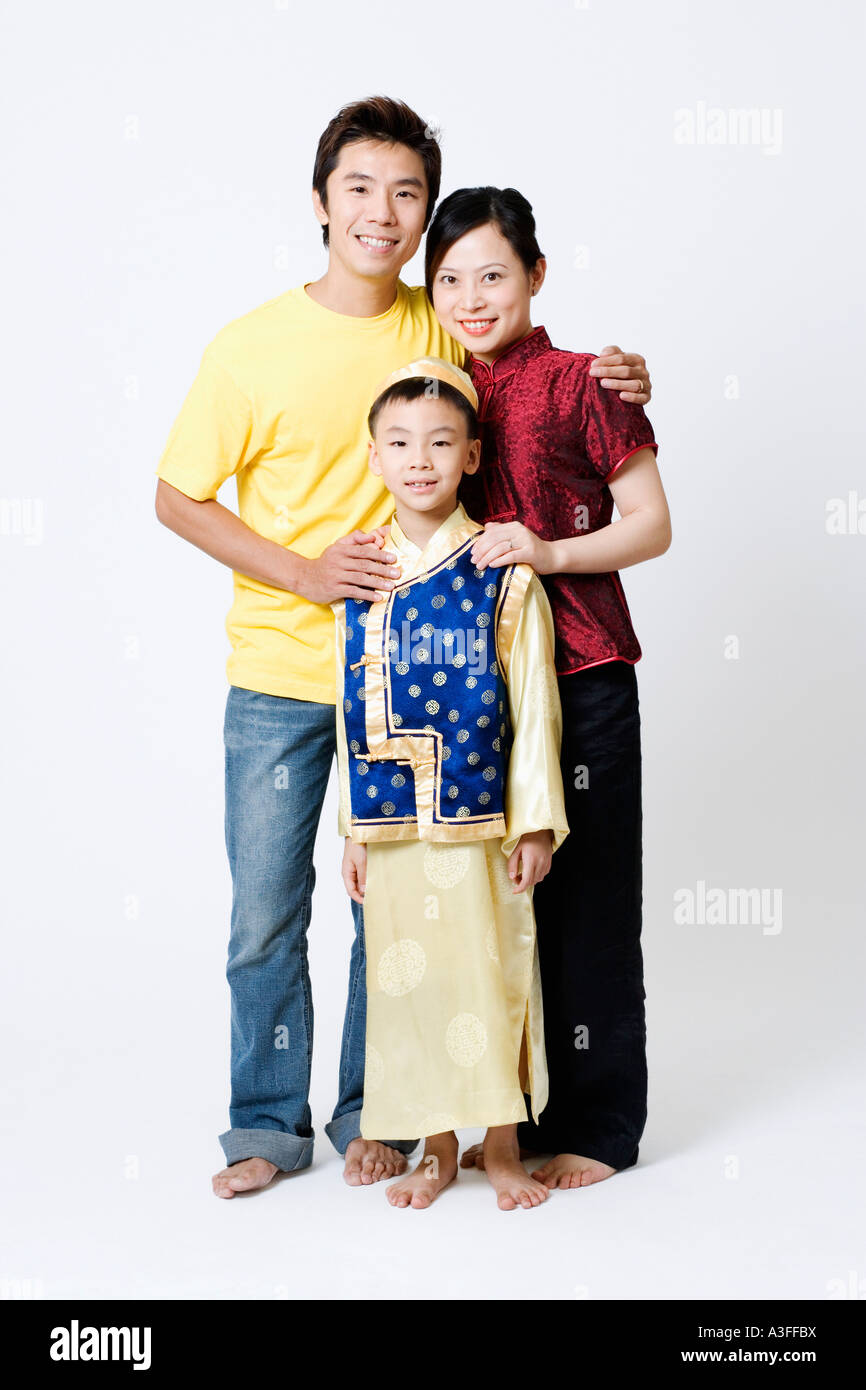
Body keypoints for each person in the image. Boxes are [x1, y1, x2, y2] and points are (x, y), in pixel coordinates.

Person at [153, 93, 652, 1199]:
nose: (383, 212)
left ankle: (379, 1112)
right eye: (360, 189)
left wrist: (620, 379)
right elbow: (175, 497)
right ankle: (265, 1127)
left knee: (404, 910)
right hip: (285, 669)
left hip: (430, 679)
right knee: (266, 914)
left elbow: (521, 340)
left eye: (406, 193)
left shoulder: (439, 317)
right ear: (321, 204)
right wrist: (301, 572)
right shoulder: (249, 346)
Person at [423, 186, 672, 1188]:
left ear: (534, 273)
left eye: (492, 273)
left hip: (583, 671)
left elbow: (649, 524)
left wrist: (545, 548)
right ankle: (505, 1117)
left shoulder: (585, 381)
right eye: (449, 279)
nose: (472, 297)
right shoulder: (437, 391)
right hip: (478, 688)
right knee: (496, 904)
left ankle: (600, 1123)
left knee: (589, 899)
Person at [335, 357, 569, 1210]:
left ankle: (500, 1148)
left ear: (473, 455)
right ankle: (435, 1148)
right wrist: (354, 833)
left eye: (440, 441)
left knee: (494, 972)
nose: (420, 459)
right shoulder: (361, 575)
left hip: (485, 817)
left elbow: (535, 702)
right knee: (412, 986)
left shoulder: (501, 568)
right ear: (373, 455)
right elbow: (346, 709)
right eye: (399, 442)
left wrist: (536, 821)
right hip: (393, 823)